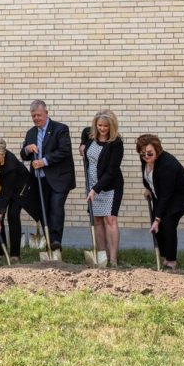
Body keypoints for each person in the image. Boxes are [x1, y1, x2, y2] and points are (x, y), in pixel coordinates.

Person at [21, 100, 75, 252]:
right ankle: (49, 242)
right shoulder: (31, 133)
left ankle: (56, 241)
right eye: (33, 116)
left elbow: (64, 151)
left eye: (39, 115)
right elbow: (24, 156)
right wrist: (27, 149)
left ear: (46, 112)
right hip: (39, 180)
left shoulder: (60, 129)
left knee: (56, 207)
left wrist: (43, 161)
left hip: (59, 179)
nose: (36, 118)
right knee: (43, 209)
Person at [137, 134, 184, 270]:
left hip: (182, 195)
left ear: (157, 150)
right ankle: (162, 256)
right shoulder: (145, 160)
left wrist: (158, 219)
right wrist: (149, 189)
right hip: (162, 194)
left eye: (149, 153)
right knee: (157, 223)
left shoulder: (167, 165)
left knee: (167, 221)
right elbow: (151, 179)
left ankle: (171, 261)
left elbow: (166, 195)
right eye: (142, 153)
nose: (146, 156)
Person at [79, 110, 124, 267]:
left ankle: (113, 259)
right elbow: (84, 134)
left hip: (110, 186)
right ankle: (102, 256)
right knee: (97, 220)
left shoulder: (116, 143)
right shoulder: (90, 135)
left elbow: (111, 171)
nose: (102, 129)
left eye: (106, 126)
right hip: (92, 183)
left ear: (111, 126)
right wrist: (82, 145)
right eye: (99, 125)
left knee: (110, 219)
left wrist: (95, 189)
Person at [0, 137, 25, 262]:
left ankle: (15, 254)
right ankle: (1, 252)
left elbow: (7, 193)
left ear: (4, 154)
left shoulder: (11, 165)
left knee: (12, 215)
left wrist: (0, 216)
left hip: (17, 189)